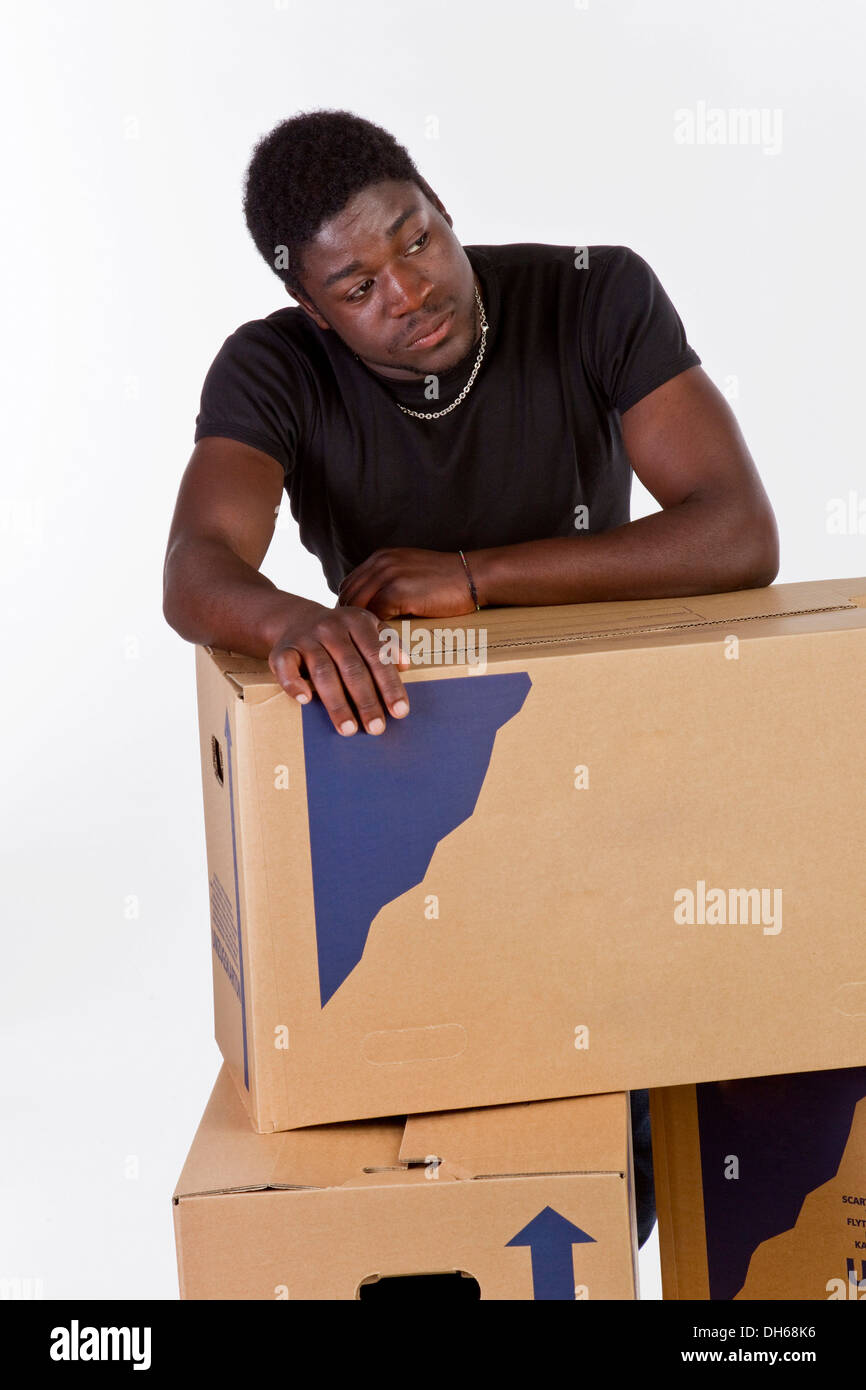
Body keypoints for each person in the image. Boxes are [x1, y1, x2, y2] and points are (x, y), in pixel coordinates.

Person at [163, 110, 779, 1251]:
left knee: (668, 1092)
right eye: (357, 285)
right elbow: (196, 566)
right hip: (410, 760)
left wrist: (473, 576)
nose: (407, 289)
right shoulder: (272, 366)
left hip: (616, 756)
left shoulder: (594, 295)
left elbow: (736, 532)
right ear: (316, 311)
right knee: (467, 1118)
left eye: (415, 240)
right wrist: (294, 622)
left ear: (443, 209)